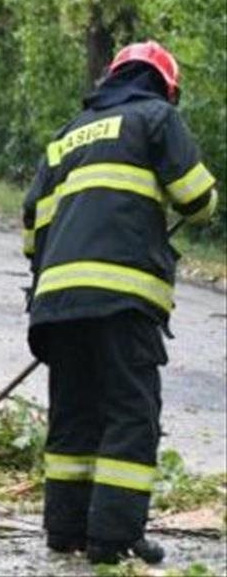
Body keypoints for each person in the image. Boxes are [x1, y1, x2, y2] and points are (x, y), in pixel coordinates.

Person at [22, 41, 218, 565]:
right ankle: (112, 537)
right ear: (164, 88)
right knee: (131, 413)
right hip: (122, 298)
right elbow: (196, 199)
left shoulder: (66, 136)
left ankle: (66, 529)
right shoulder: (156, 118)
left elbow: (31, 228)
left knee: (73, 413)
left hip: (58, 302)